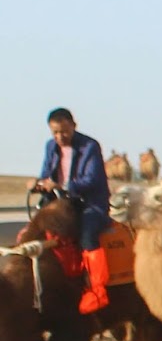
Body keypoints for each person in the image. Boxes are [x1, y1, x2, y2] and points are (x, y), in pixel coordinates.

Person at [35, 107, 113, 313]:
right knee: (37, 227)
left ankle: (97, 289)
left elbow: (92, 179)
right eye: (55, 133)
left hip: (90, 203)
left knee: (87, 235)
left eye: (64, 132)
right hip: (61, 203)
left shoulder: (90, 146)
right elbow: (46, 174)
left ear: (73, 126)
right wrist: (39, 184)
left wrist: (63, 186)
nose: (60, 137)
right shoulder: (50, 146)